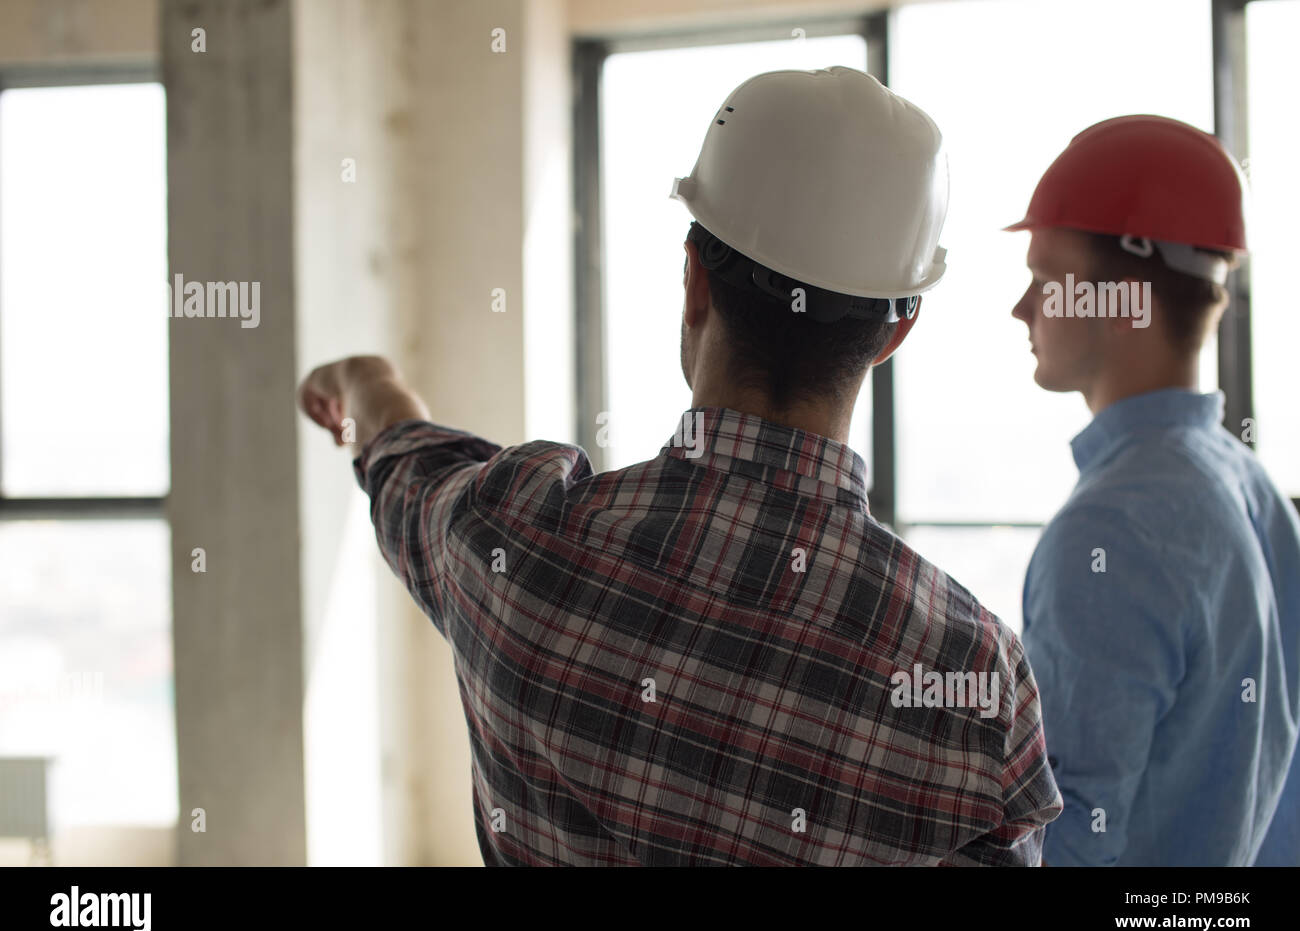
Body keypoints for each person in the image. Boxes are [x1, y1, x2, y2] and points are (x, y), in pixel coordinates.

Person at [299, 66, 1061, 865]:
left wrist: (361, 381)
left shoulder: (511, 531)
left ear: (694, 280)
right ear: (895, 332)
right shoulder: (970, 671)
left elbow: (401, 458)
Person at [1006, 115, 1300, 865]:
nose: (1020, 308)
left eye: (1044, 279)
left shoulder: (1109, 529)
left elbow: (1068, 844)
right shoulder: (1249, 484)